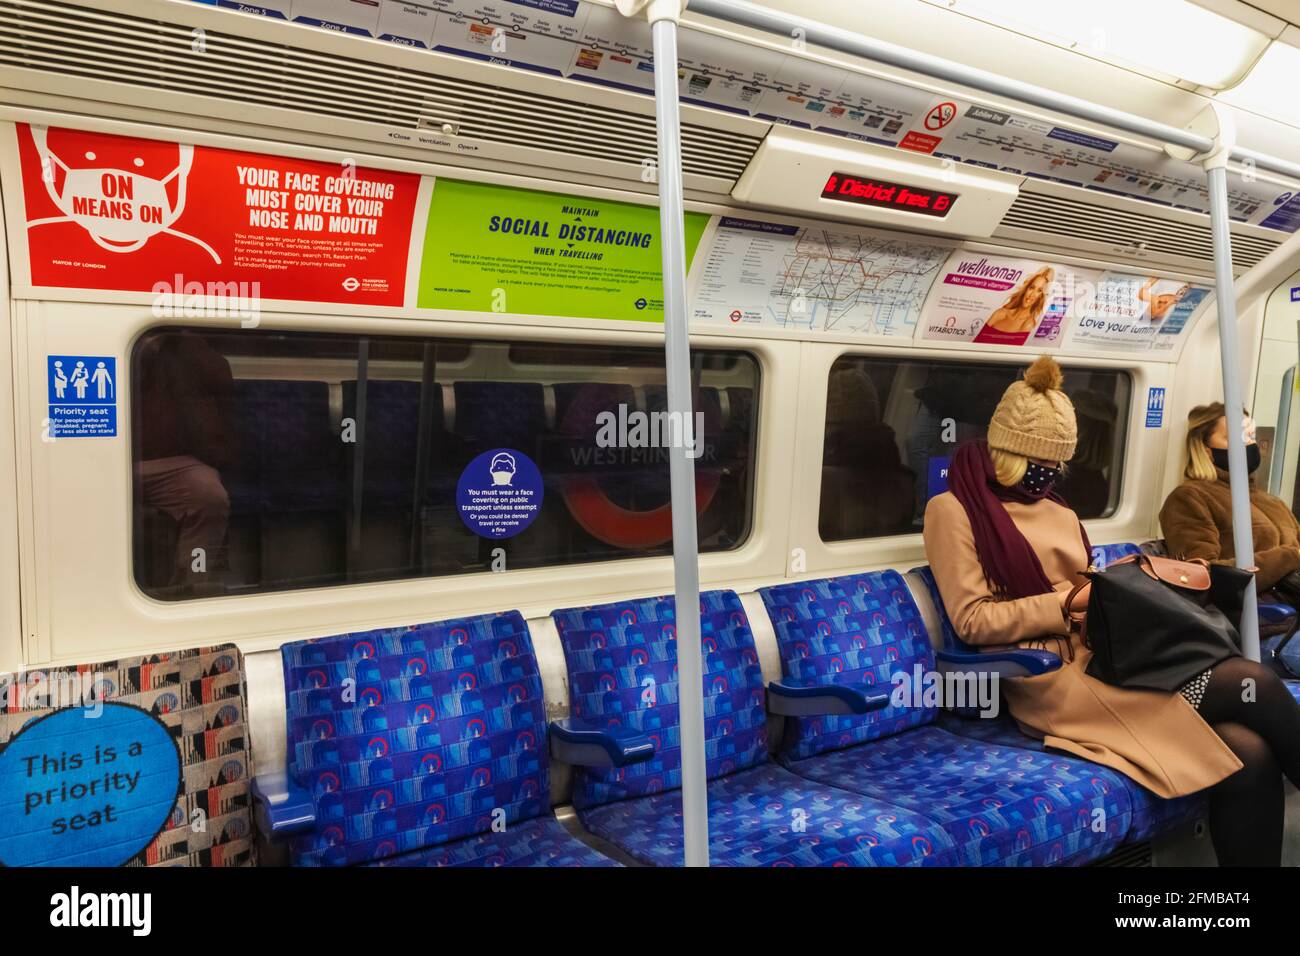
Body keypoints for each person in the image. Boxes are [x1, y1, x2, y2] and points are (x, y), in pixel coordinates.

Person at [924, 356, 1300, 866]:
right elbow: (973, 619)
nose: (1050, 474)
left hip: (1106, 650)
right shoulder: (953, 511)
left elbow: (1084, 586)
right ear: (1007, 452)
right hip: (1046, 674)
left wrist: (1119, 583)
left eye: (1057, 464)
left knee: (1249, 754)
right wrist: (1066, 602)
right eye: (1042, 462)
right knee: (1250, 681)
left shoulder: (1059, 509)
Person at [1160, 402, 1300, 595]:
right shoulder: (1189, 498)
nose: (1249, 444)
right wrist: (1288, 557)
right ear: (1206, 450)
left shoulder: (1272, 502)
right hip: (1252, 615)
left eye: (1250, 436)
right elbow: (1203, 575)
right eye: (1236, 437)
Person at [985, 266, 1053, 334]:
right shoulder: (1000, 313)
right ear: (1026, 289)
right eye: (1032, 288)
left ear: (1040, 297)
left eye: (1039, 291)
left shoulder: (1028, 324)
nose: (1032, 294)